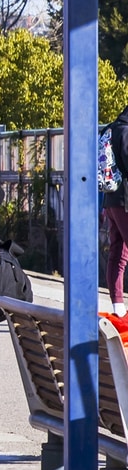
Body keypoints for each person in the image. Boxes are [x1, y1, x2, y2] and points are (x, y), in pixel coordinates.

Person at [106, 104, 128, 317]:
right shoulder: (125, 131)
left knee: (118, 252)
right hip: (125, 200)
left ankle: (118, 307)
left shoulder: (111, 129)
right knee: (119, 254)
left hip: (111, 198)